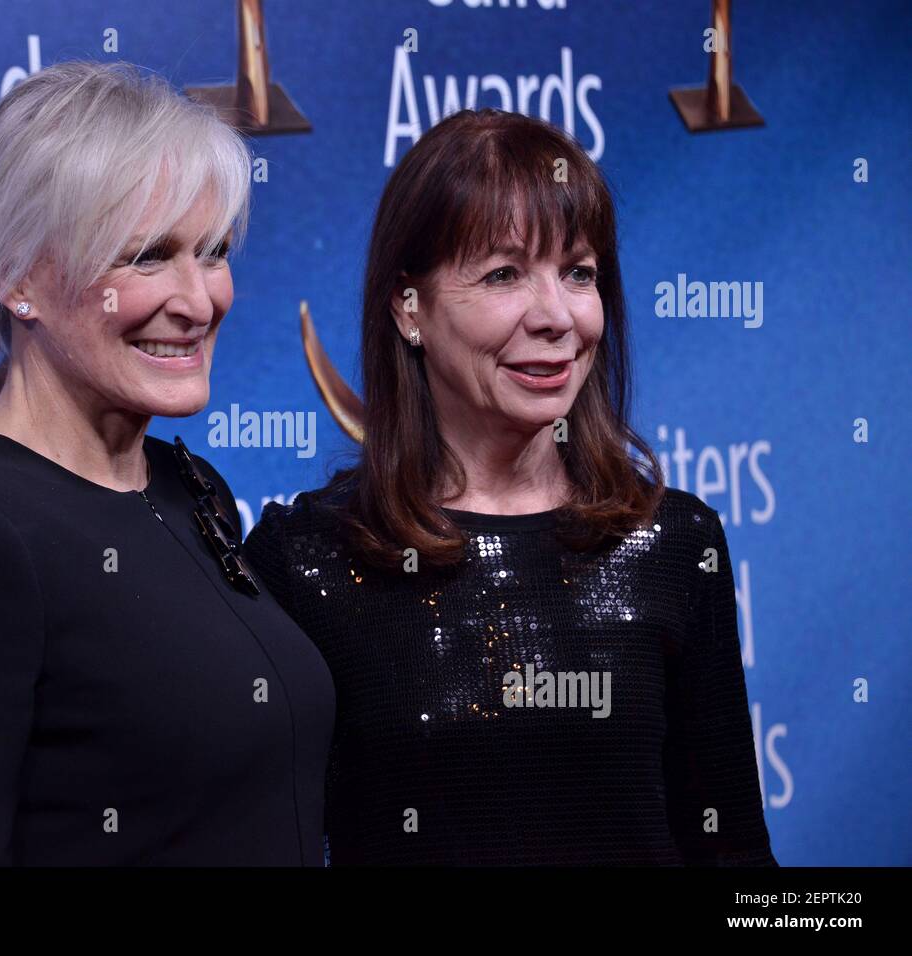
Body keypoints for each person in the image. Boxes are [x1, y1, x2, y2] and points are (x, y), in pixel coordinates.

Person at [244, 108, 776, 865]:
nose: (556, 317)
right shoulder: (308, 563)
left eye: (579, 273)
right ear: (410, 308)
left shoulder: (674, 545)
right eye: (503, 275)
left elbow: (736, 860)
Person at [0, 61, 334, 866]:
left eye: (211, 252)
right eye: (145, 257)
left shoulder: (192, 488)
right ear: (19, 278)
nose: (197, 299)